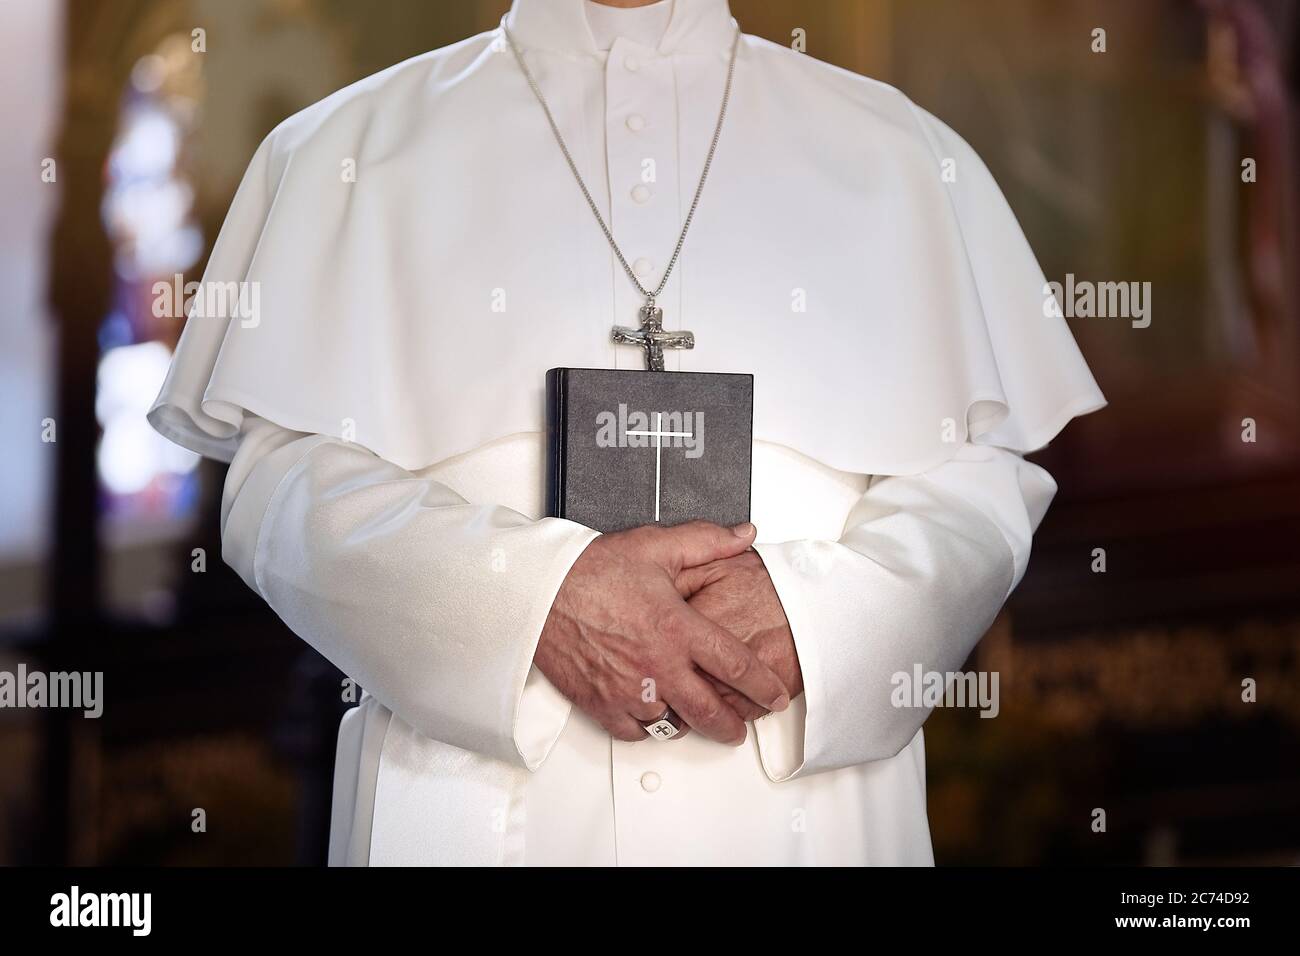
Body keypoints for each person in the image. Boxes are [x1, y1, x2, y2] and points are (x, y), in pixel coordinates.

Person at [150, 0, 1106, 865]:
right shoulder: (343, 152)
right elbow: (281, 492)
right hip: (470, 820)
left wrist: (822, 619)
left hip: (807, 819)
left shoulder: (901, 154)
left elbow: (977, 481)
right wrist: (534, 604)